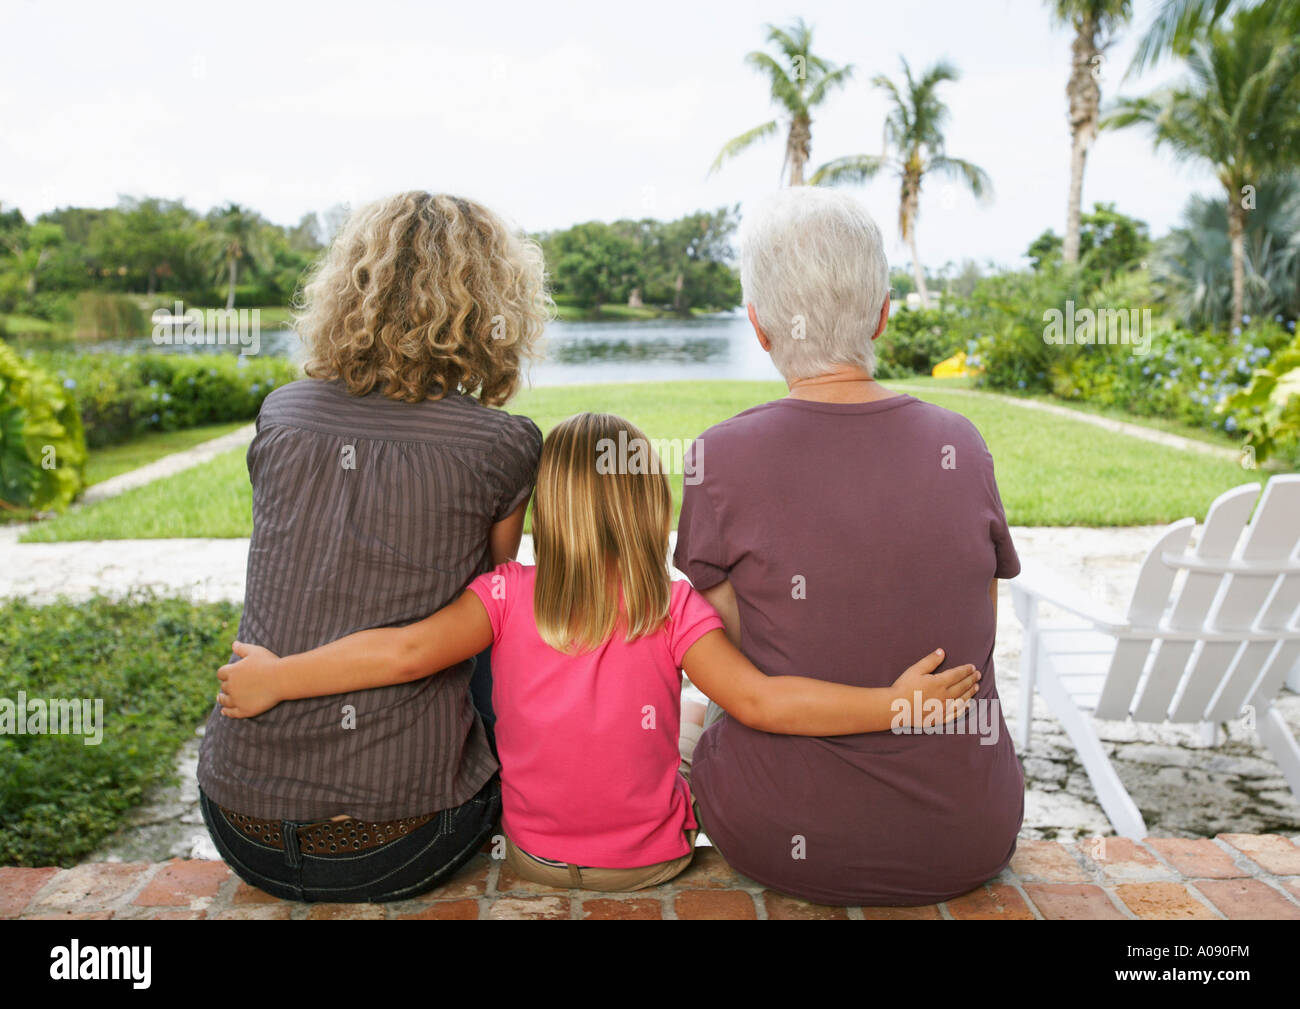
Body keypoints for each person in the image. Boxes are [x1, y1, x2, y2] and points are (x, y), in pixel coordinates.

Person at [216, 412, 982, 892]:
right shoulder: (671, 603)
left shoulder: (504, 594)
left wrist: (280, 678)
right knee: (700, 722)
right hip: (652, 865)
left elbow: (406, 652)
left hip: (532, 859)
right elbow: (762, 703)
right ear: (649, 502)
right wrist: (891, 702)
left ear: (550, 506)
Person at [674, 185, 1024, 906]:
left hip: (780, 831)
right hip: (968, 833)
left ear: (760, 328)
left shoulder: (721, 456)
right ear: (883, 315)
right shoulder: (960, 444)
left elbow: (737, 659)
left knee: (682, 706)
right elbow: (976, 628)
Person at [196, 191, 548, 903]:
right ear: (493, 304)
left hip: (238, 824)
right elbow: (490, 607)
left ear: (351, 288)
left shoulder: (282, 412)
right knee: (493, 612)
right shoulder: (503, 443)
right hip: (400, 839)